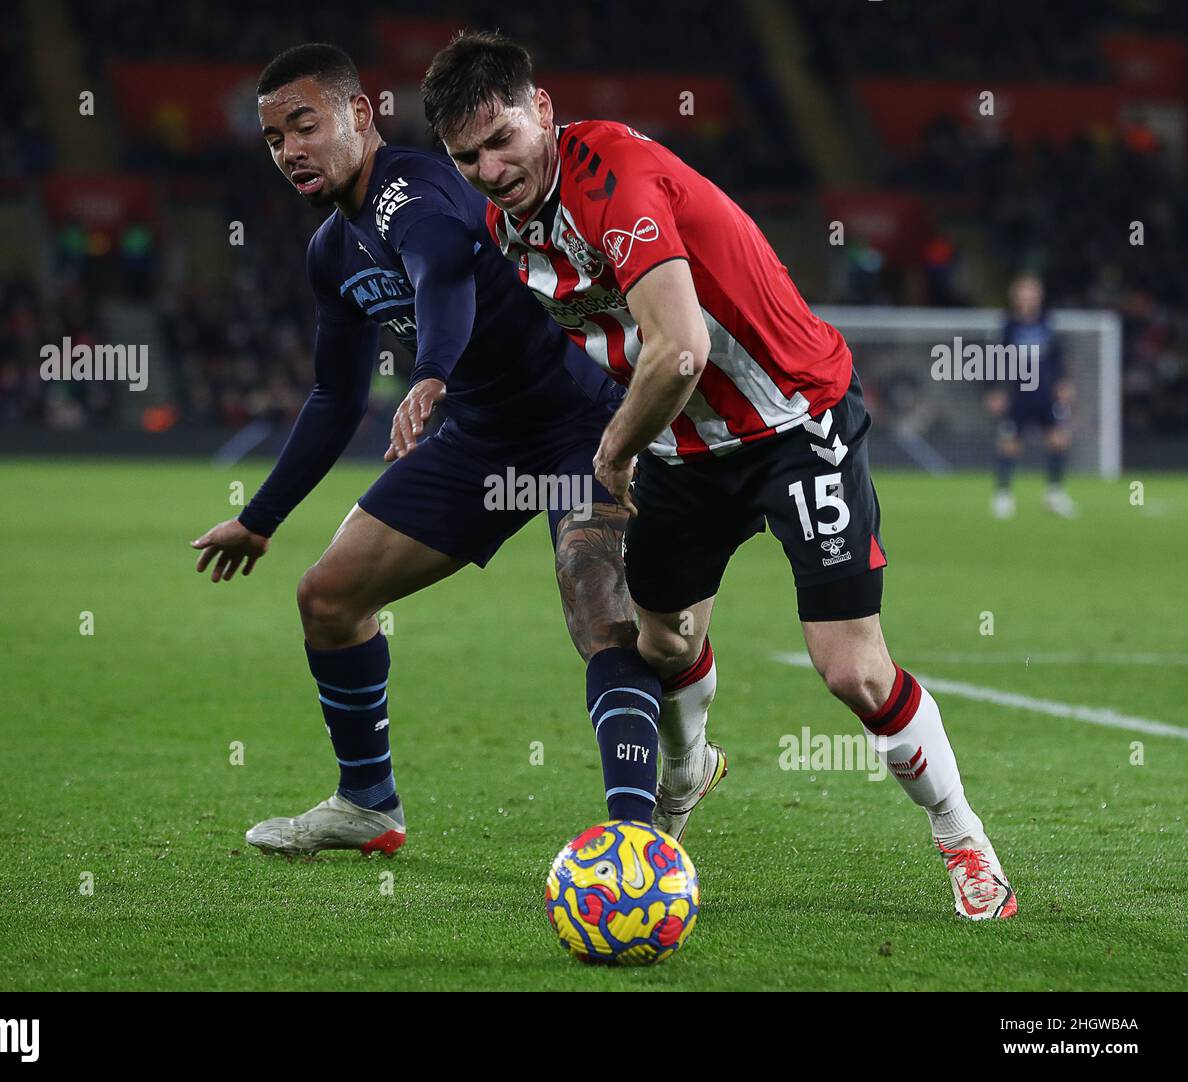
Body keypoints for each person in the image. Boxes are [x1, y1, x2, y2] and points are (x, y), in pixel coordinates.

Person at [422, 30, 1015, 919]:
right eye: (466, 156)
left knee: (851, 670)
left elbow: (681, 352)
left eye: (501, 140)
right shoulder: (507, 226)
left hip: (793, 423)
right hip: (682, 452)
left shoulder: (612, 179)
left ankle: (964, 840)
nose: (490, 168)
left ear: (540, 110)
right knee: (662, 643)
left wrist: (611, 452)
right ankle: (690, 771)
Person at [192, 44, 702, 858]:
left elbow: (442, 269)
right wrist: (259, 518)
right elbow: (336, 395)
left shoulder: (416, 187)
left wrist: (428, 375)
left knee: (598, 610)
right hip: (482, 439)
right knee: (327, 598)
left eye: (304, 124)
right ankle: (368, 804)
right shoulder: (332, 249)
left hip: (586, 422)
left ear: (360, 115)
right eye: (273, 139)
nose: (289, 150)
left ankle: (636, 845)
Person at [988, 272, 1076, 519]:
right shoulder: (1008, 325)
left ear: (1039, 296)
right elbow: (996, 359)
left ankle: (1054, 494)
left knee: (1059, 439)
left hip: (1046, 394)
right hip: (1019, 394)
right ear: (1015, 296)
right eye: (1023, 293)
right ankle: (1003, 496)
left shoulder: (1047, 322)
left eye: (1032, 292)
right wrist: (995, 390)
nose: (1028, 297)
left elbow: (1057, 357)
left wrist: (1064, 383)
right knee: (1010, 444)